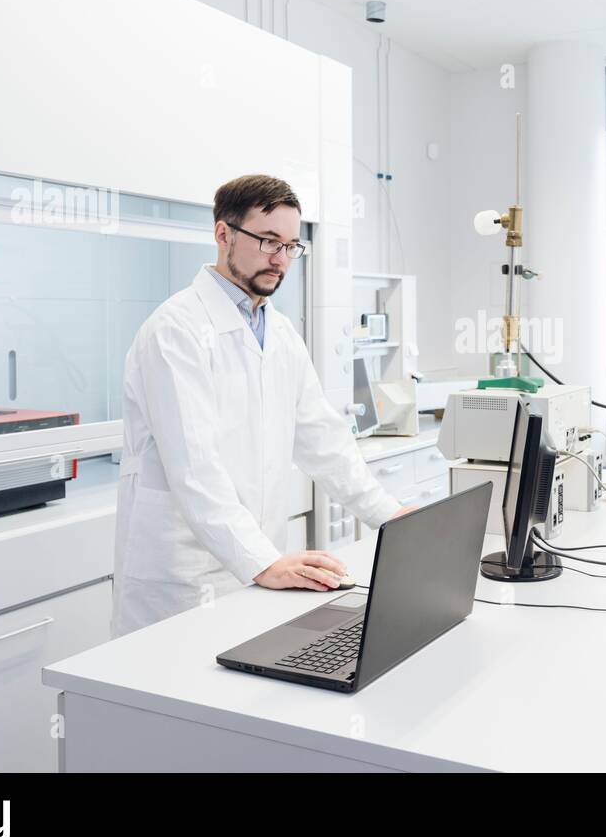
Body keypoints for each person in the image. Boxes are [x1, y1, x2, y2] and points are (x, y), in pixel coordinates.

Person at [111, 174, 412, 636]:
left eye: (291, 246)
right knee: (176, 695)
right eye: (269, 241)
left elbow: (321, 438)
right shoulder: (176, 331)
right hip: (184, 574)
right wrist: (263, 561)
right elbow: (195, 467)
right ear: (223, 234)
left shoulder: (281, 333)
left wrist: (388, 516)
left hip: (257, 562)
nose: (281, 260)